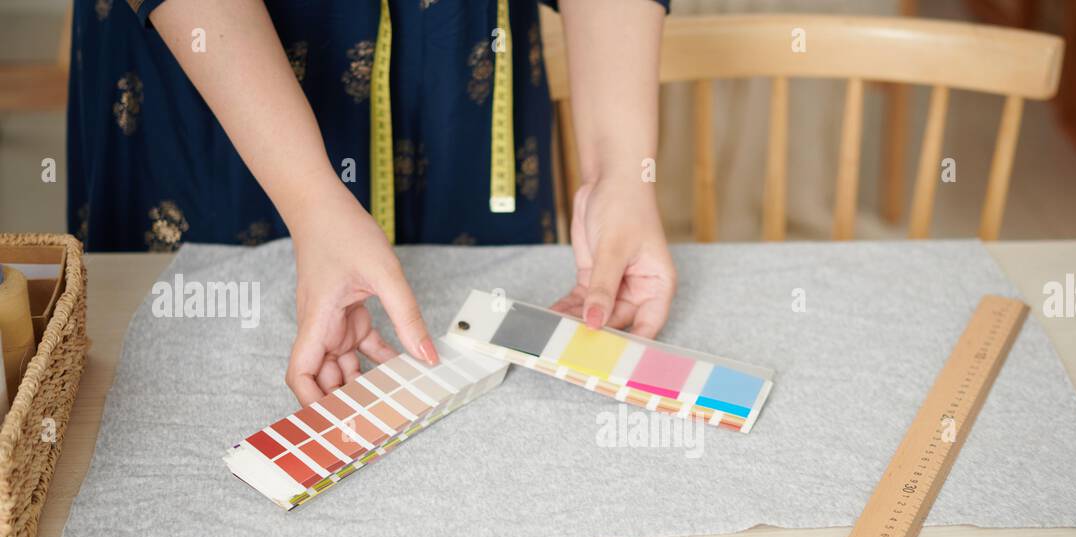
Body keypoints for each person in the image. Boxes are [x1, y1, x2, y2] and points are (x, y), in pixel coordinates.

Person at [69, 0, 676, 403]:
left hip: (458, 76)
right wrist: (309, 197)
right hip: (218, 65)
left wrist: (621, 167)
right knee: (199, 405)